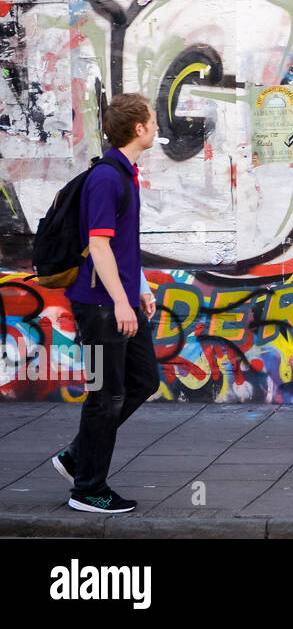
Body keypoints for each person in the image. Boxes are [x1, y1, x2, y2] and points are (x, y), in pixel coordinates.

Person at [49, 93, 161, 514]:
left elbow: (124, 245)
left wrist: (142, 289)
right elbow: (98, 246)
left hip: (120, 301)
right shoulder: (107, 179)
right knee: (103, 395)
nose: (156, 125)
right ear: (138, 129)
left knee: (143, 380)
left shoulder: (125, 173)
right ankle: (87, 489)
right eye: (151, 119)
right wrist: (121, 303)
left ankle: (78, 456)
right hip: (99, 309)